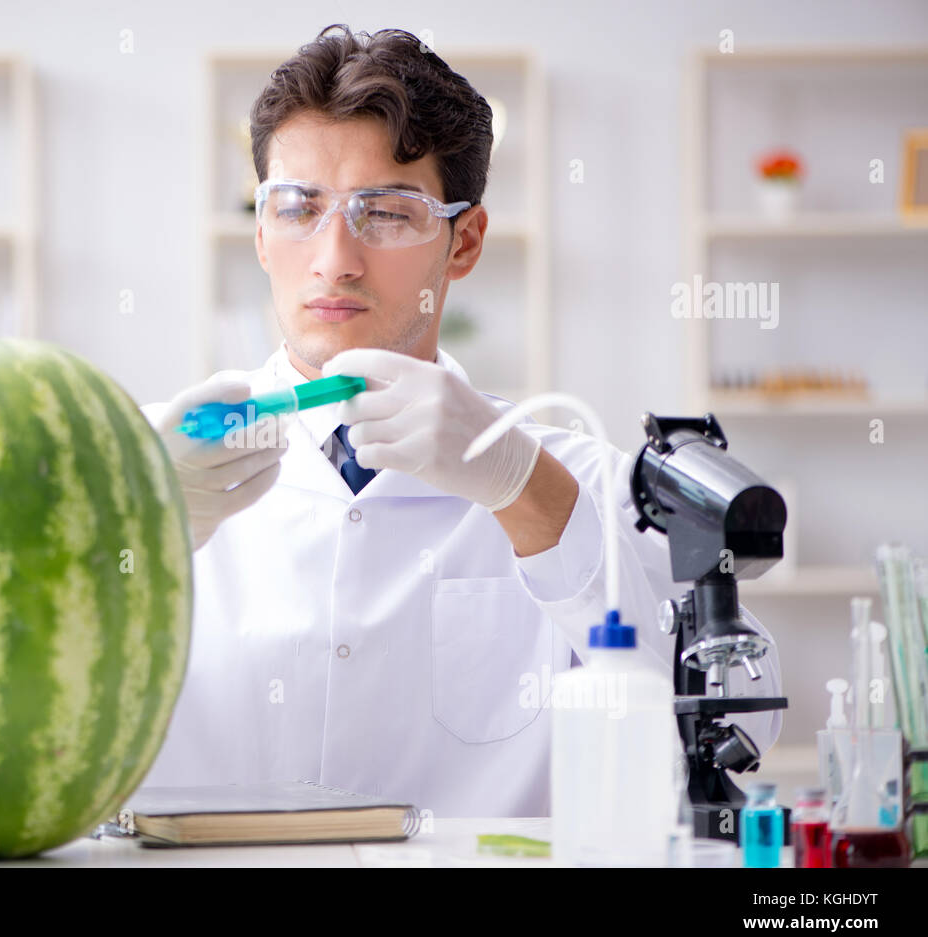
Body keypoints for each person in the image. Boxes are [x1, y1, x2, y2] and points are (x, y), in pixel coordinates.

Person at [138, 24, 782, 817]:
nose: (334, 256)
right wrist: (127, 542)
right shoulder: (151, 461)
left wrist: (527, 494)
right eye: (298, 206)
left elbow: (746, 707)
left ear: (465, 240)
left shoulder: (574, 476)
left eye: (385, 212)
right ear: (263, 233)